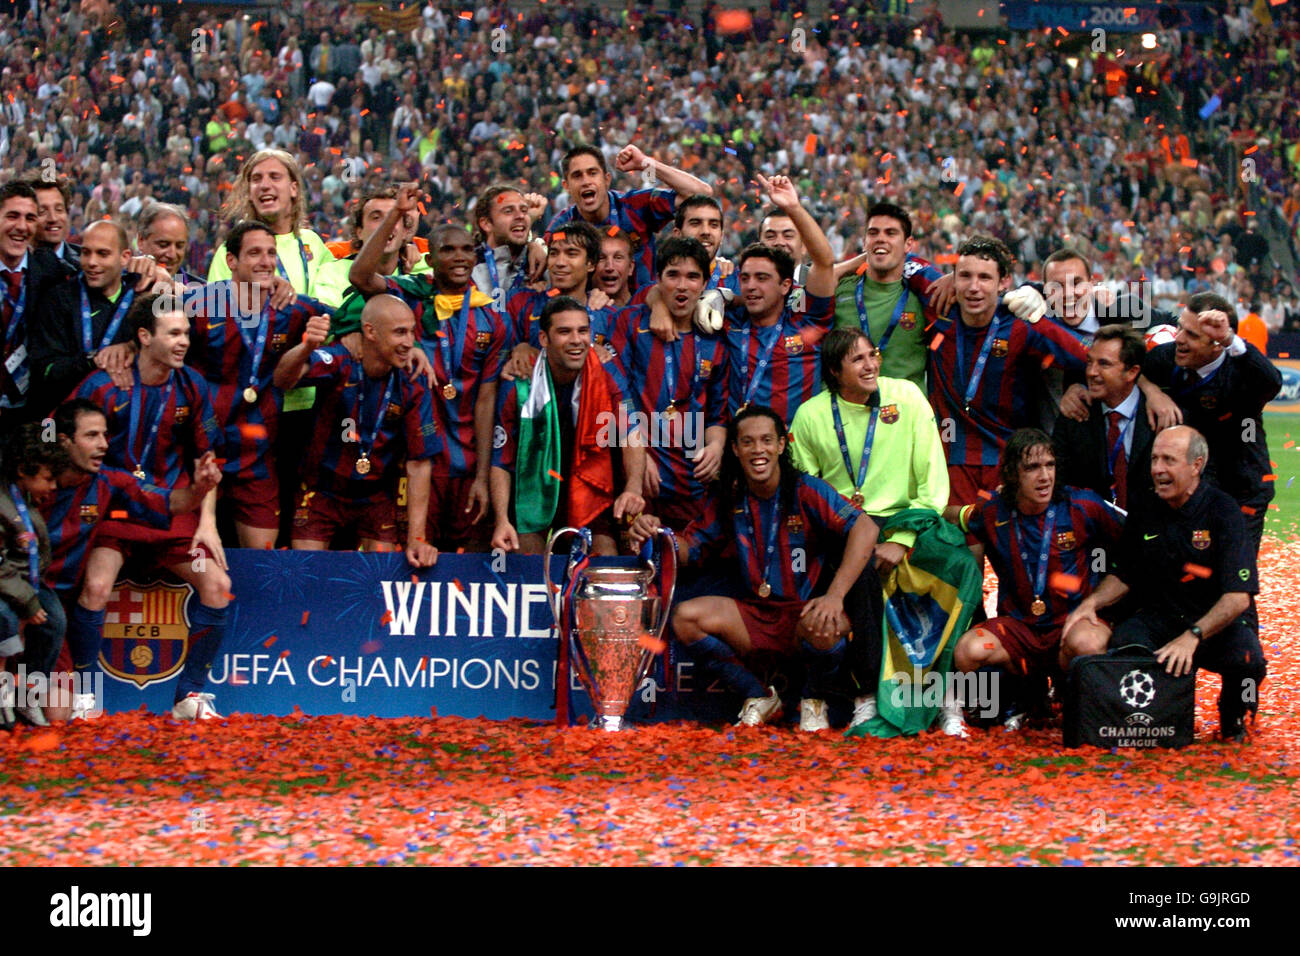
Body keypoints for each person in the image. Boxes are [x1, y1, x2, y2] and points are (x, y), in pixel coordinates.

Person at [628, 406, 880, 731]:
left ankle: (812, 699)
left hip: (804, 613)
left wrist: (834, 595)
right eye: (747, 442)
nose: (757, 450)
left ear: (781, 445)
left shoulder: (806, 489)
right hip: (755, 616)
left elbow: (866, 529)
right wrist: (657, 534)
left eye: (765, 441)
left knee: (827, 627)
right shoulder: (730, 495)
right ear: (735, 448)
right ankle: (758, 694)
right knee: (686, 618)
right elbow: (690, 549)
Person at [72, 296, 231, 722]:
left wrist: (208, 524)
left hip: (170, 509)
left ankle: (189, 696)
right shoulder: (104, 385)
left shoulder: (192, 385)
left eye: (186, 333)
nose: (184, 342)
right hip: (116, 512)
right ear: (144, 337)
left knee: (217, 587)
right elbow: (59, 432)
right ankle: (85, 697)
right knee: (97, 589)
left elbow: (207, 461)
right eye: (174, 334)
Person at [789, 327, 949, 728]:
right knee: (857, 567)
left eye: (873, 354)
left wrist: (903, 538)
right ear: (833, 371)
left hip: (903, 518)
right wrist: (850, 528)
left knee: (959, 562)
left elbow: (933, 482)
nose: (871, 364)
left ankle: (953, 700)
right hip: (843, 524)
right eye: (857, 359)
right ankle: (865, 695)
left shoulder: (908, 396)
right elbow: (807, 490)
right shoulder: (811, 415)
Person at [1063, 427, 1266, 743]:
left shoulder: (1224, 510)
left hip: (1213, 622)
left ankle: (1233, 714)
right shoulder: (1146, 506)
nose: (1157, 469)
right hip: (1161, 617)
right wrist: (1092, 603)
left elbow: (1238, 598)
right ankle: (1150, 719)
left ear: (1196, 465)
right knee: (1124, 646)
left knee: (1249, 660)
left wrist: (1193, 636)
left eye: (1169, 460)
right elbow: (1125, 574)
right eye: (1155, 459)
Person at [347, 190, 509, 552]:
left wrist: (483, 476)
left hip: (466, 465)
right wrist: (396, 218)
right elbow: (360, 274)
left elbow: (486, 401)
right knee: (413, 556)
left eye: (467, 249)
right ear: (430, 257)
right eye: (448, 250)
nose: (459, 257)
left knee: (466, 563)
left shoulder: (493, 319)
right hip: (413, 461)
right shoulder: (411, 296)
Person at [945, 429, 1123, 733]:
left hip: (1071, 622)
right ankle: (1029, 688)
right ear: (1013, 474)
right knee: (968, 652)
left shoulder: (1083, 505)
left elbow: (1134, 553)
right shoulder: (992, 510)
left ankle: (1070, 692)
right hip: (1021, 629)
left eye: (1049, 465)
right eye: (1032, 468)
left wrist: (1095, 602)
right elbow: (952, 515)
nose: (1044, 476)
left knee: (1089, 643)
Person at [182, 221, 329, 548]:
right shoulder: (199, 303)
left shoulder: (292, 308)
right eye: (254, 253)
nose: (265, 261)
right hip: (200, 450)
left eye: (271, 253)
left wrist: (321, 351)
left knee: (264, 557)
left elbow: (353, 319)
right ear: (231, 261)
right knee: (193, 550)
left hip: (256, 455)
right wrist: (124, 346)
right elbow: (146, 318)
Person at [917, 236, 1089, 504]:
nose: (974, 287)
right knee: (959, 542)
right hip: (947, 460)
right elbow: (896, 256)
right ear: (953, 278)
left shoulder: (1024, 323)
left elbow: (1087, 356)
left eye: (985, 277)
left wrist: (1079, 383)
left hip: (1007, 463)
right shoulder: (939, 306)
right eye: (965, 276)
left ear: (1004, 282)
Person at [274, 296, 439, 567]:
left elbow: (419, 462)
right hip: (321, 490)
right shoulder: (341, 360)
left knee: (379, 578)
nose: (409, 343)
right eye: (400, 332)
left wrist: (417, 538)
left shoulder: (413, 378)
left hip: (376, 496)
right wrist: (306, 348)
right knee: (307, 574)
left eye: (412, 332)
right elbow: (282, 379)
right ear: (370, 331)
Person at [491, 296, 645, 557]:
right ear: (543, 339)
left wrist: (633, 487)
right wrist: (502, 520)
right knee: (525, 557)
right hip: (534, 496)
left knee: (605, 558)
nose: (576, 340)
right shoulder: (519, 384)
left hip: (589, 493)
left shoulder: (606, 373)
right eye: (564, 332)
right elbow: (501, 459)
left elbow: (631, 433)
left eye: (583, 331)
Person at [1141, 295, 1282, 559]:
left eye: (1192, 334)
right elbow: (1136, 368)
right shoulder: (1169, 357)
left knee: (1234, 581)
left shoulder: (1241, 371)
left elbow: (1271, 383)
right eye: (1181, 327)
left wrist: (1230, 339)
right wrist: (1152, 392)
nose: (1180, 338)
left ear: (1218, 345)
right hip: (1192, 487)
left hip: (1242, 488)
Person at [606, 237, 727, 532]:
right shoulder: (630, 323)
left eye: (692, 276)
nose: (682, 285)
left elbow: (717, 411)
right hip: (638, 477)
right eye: (673, 275)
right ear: (658, 280)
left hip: (692, 482)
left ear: (704, 283)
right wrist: (637, 459)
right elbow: (618, 398)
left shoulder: (717, 338)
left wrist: (715, 447)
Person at [721, 175, 837, 426]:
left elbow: (825, 263)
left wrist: (793, 207)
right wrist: (716, 296)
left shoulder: (807, 313)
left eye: (788, 234)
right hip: (737, 444)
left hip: (797, 445)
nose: (752, 286)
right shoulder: (729, 299)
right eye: (771, 235)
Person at [28, 219, 172, 417]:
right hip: (62, 420)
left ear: (125, 257)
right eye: (86, 252)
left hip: (125, 417)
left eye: (102, 254)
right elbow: (44, 371)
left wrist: (133, 347)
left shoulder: (144, 296)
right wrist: (93, 359)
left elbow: (173, 343)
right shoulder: (59, 299)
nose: (92, 262)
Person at [546, 144, 712, 291]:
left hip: (647, 312)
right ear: (566, 186)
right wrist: (536, 247)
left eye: (592, 173)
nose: (585, 181)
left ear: (606, 180)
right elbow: (542, 251)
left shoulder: (635, 206)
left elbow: (701, 193)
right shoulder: (563, 226)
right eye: (577, 176)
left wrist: (645, 163)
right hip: (594, 316)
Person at [0, 424, 69, 728]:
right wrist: (26, 600)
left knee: (54, 620)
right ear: (22, 471)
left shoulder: (24, 497)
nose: (53, 487)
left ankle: (27, 698)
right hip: (8, 589)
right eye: (48, 478)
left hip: (25, 584)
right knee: (5, 620)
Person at [1053, 325, 1156, 510]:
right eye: (1089, 362)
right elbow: (1059, 481)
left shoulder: (1161, 417)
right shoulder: (1074, 415)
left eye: (1104, 364)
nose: (1091, 372)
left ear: (1132, 372)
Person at [205, 149, 334, 297]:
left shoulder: (313, 242)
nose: (264, 185)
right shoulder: (232, 250)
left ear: (294, 189)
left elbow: (334, 304)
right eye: (257, 179)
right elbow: (216, 312)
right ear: (249, 194)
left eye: (274, 177)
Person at [0, 181, 75, 431]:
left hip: (31, 417)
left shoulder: (55, 273)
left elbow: (107, 275)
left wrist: (152, 270)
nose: (22, 226)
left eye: (30, 218)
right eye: (13, 216)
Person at [831, 202, 930, 390]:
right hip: (847, 412)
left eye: (890, 233)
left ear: (908, 244)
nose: (880, 239)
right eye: (873, 233)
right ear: (864, 241)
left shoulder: (923, 294)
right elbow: (807, 282)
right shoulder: (840, 290)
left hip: (906, 414)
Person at [313, 185, 430, 309]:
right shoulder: (332, 272)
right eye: (376, 218)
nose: (386, 225)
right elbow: (328, 318)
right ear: (359, 232)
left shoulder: (426, 269)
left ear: (405, 231)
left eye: (393, 217)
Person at [469, 183, 547, 305]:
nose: (520, 215)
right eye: (508, 211)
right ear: (486, 224)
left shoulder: (541, 265)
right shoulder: (469, 268)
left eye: (524, 210)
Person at [136, 203, 198, 286]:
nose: (172, 255)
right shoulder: (119, 285)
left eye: (179, 246)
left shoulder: (201, 293)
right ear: (141, 241)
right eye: (163, 245)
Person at [28, 175, 79, 269]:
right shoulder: (14, 265)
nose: (53, 218)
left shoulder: (85, 264)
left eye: (59, 209)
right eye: (42, 211)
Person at [594, 227, 639, 309]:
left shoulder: (647, 305)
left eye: (618, 258)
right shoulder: (579, 309)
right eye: (601, 258)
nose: (610, 267)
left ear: (630, 267)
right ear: (590, 266)